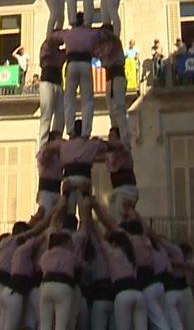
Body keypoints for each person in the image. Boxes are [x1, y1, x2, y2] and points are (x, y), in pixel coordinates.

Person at [88, 198, 147, 330]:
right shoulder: (131, 253)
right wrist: (132, 212)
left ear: (114, 243)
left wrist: (91, 215)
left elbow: (99, 235)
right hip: (138, 294)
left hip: (122, 294)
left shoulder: (112, 253)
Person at [38, 197, 90, 330]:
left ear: (61, 224)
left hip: (46, 284)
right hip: (69, 284)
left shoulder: (52, 237)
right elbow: (85, 224)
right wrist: (85, 204)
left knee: (45, 324)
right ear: (75, 225)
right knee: (66, 323)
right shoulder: (78, 238)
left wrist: (63, 202)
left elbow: (52, 221)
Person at [58, 14, 102, 140]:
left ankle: (70, 130)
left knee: (69, 99)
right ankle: (86, 131)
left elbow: (55, 37)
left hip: (71, 64)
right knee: (87, 99)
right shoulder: (90, 34)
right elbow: (99, 42)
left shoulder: (68, 34)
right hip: (85, 63)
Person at [98, 26, 131, 148]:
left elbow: (104, 61)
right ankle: (117, 134)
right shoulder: (108, 46)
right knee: (112, 110)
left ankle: (124, 139)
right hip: (111, 78)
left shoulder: (115, 43)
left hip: (117, 76)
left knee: (119, 107)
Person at [39, 34, 66, 148]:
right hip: (47, 82)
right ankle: (43, 145)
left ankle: (56, 138)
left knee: (61, 114)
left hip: (57, 83)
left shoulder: (58, 52)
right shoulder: (47, 47)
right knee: (47, 114)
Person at [105, 133, 138, 225]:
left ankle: (124, 233)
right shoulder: (110, 154)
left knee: (120, 213)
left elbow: (115, 167)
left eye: (112, 136)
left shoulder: (123, 149)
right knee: (112, 215)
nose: (110, 138)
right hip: (117, 189)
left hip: (126, 189)